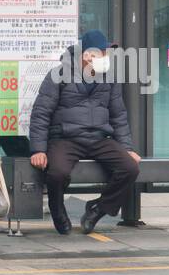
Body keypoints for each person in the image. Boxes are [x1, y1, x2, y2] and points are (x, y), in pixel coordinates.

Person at [29, 30, 140, 235]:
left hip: (99, 138)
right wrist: (38, 149)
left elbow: (118, 115)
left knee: (130, 168)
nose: (107, 58)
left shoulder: (109, 78)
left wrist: (127, 148)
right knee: (57, 173)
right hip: (66, 138)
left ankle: (98, 209)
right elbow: (41, 114)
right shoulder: (58, 75)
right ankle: (57, 209)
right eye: (103, 53)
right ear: (87, 55)